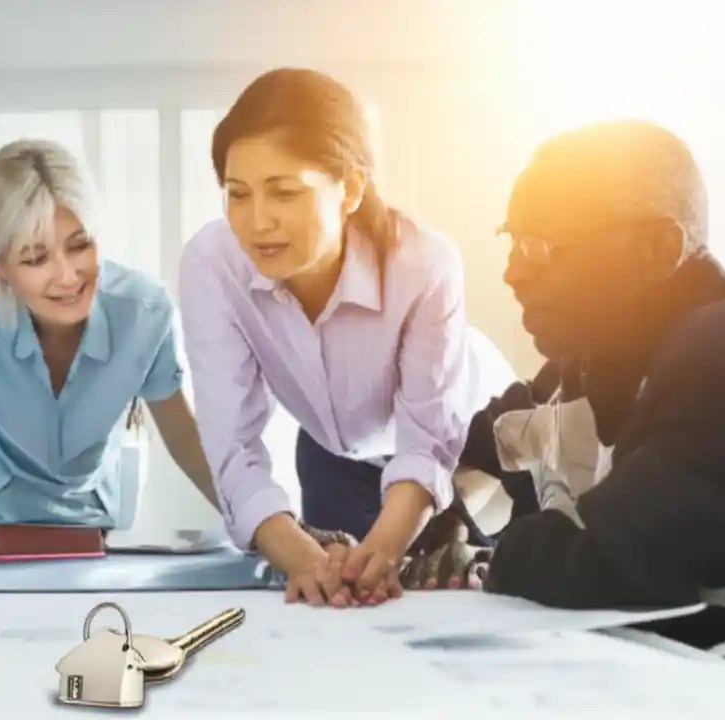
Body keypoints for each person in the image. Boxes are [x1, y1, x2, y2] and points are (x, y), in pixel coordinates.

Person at [179, 68, 511, 609]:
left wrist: (387, 549)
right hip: (338, 445)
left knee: (447, 583)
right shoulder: (212, 264)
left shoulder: (423, 263)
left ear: (351, 189)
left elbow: (428, 440)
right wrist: (302, 557)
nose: (257, 222)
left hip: (474, 445)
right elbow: (231, 444)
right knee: (337, 591)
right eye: (237, 194)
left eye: (284, 192)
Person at [449, 121, 725, 635]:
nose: (512, 273)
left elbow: (604, 565)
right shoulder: (589, 360)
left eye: (541, 247)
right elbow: (473, 445)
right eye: (512, 241)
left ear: (657, 249)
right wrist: (444, 514)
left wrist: (489, 559)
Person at [0, 139, 218, 526]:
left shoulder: (144, 312)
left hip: (94, 523)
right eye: (36, 258)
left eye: (80, 245)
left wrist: (262, 528)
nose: (68, 277)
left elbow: (186, 442)